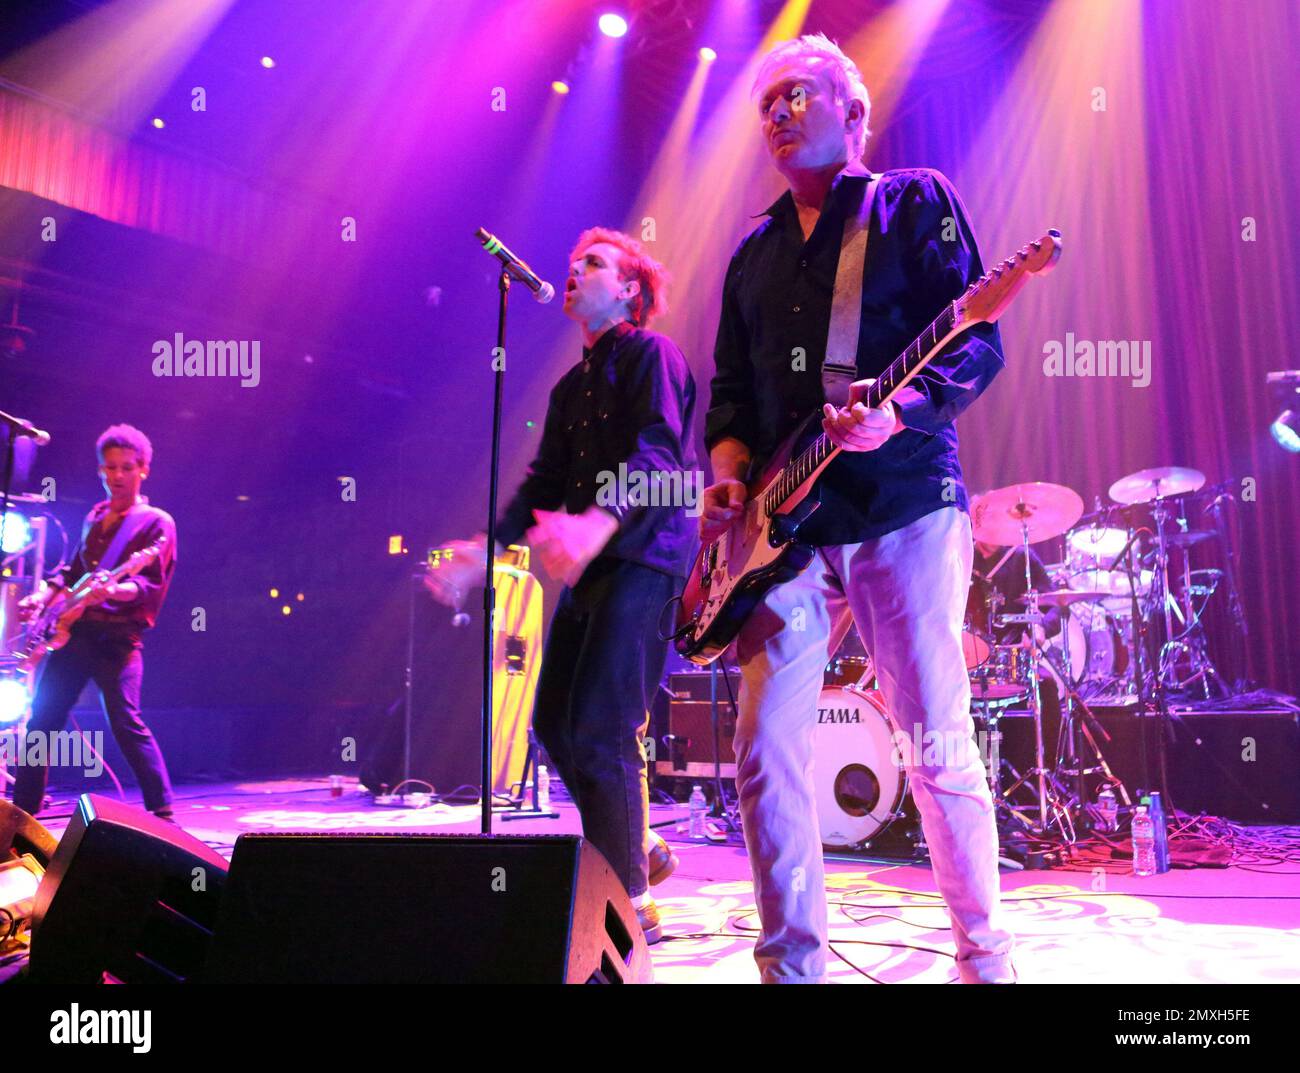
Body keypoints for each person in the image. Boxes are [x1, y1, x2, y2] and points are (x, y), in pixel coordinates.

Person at [699, 34, 1016, 982]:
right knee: (762, 752)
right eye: (767, 103)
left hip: (902, 500)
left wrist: (900, 411)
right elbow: (728, 393)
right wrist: (726, 471)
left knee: (932, 744)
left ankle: (983, 958)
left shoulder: (912, 201)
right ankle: (792, 968)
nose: (780, 112)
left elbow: (977, 342)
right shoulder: (752, 253)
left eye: (800, 94)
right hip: (782, 534)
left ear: (852, 111)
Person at [427, 228, 696, 942]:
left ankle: (632, 902)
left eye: (595, 264)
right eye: (574, 262)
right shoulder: (570, 386)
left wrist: (599, 521)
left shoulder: (652, 356)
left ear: (632, 290)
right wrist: (488, 550)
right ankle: (634, 844)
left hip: (643, 556)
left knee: (604, 727)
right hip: (591, 562)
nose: (574, 272)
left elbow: (662, 453)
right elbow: (543, 481)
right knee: (552, 722)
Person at [13, 424, 177, 821]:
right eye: (109, 468)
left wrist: (115, 592)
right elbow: (73, 572)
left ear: (143, 470)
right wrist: (42, 597)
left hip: (117, 639)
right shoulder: (96, 517)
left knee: (125, 721)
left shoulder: (156, 523)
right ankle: (20, 817)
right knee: (42, 721)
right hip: (77, 633)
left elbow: (149, 585)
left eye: (125, 468)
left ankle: (163, 812)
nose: (116, 477)